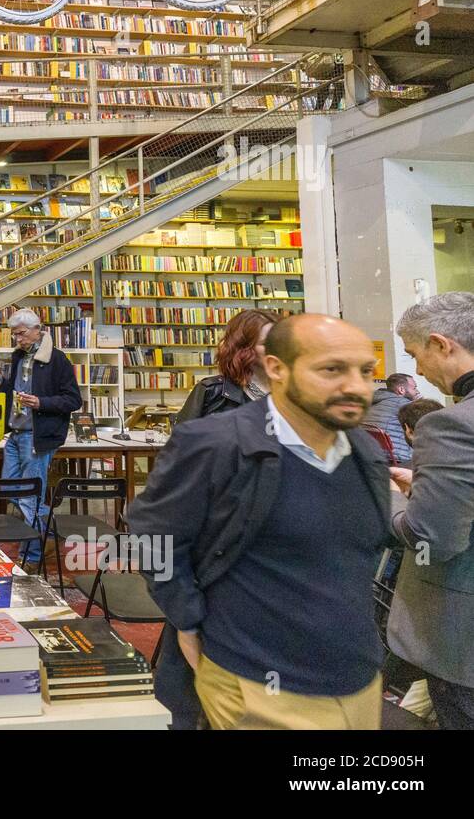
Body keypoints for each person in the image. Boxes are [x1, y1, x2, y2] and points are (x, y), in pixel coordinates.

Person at [128, 314, 391, 729]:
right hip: (254, 682)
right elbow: (152, 532)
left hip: (357, 680)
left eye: (366, 372)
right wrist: (187, 617)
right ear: (276, 368)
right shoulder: (215, 442)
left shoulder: (365, 452)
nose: (356, 386)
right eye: (332, 369)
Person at [386, 292, 474, 729]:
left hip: (463, 640)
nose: (417, 370)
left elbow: (430, 540)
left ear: (442, 344)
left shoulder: (450, 424)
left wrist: (389, 499)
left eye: (416, 355)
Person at [0, 308, 81, 568]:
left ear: (37, 329)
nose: (17, 339)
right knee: (11, 489)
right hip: (15, 433)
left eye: (21, 333)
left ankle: (32, 556)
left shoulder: (57, 359)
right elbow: (16, 392)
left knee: (30, 497)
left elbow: (74, 400)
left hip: (37, 436)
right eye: (14, 334)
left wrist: (41, 402)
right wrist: (2, 382)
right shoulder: (19, 357)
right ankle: (49, 528)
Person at [174, 308, 282, 424]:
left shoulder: (294, 391)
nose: (277, 348)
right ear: (244, 348)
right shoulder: (211, 392)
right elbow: (184, 440)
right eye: (266, 343)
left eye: (281, 342)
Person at [363, 372, 419, 464]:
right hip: (398, 459)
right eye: (414, 388)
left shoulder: (372, 401)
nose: (417, 391)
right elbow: (427, 424)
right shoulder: (403, 404)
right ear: (401, 389)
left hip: (371, 455)